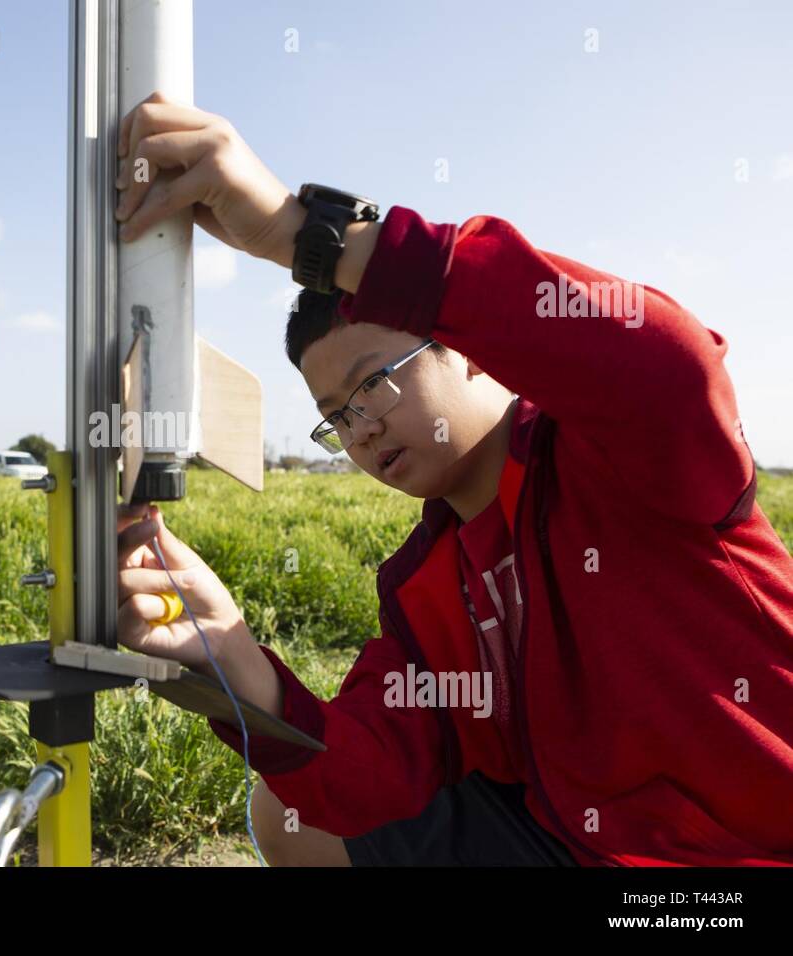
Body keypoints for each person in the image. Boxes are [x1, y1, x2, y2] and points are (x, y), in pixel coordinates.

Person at [114, 93, 793, 866]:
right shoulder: (422, 585)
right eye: (334, 414)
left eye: (373, 384)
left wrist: (307, 237)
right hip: (575, 844)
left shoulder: (623, 456)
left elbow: (671, 362)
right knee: (290, 814)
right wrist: (228, 651)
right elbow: (363, 775)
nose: (360, 426)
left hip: (747, 856)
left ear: (469, 349)